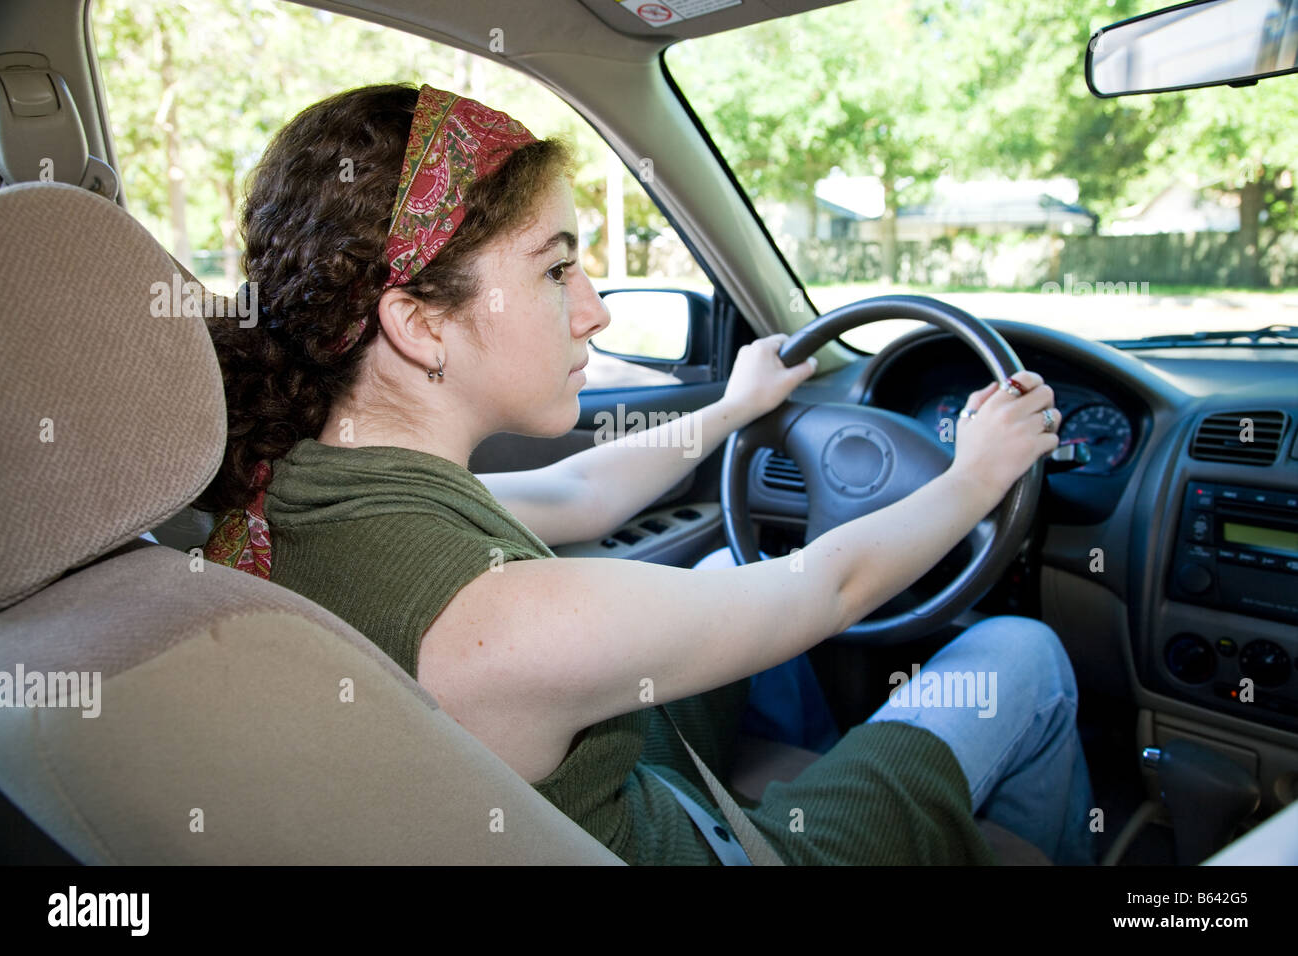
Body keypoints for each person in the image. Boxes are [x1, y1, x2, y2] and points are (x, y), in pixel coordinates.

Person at [197, 82, 1096, 866]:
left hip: (608, 796)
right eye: (556, 269)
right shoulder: (496, 623)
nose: (594, 311)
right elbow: (829, 583)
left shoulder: (309, 494)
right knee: (1024, 653)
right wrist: (978, 476)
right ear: (420, 323)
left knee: (724, 570)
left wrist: (734, 410)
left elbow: (582, 494)